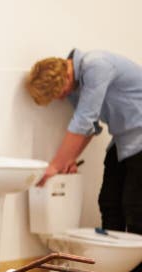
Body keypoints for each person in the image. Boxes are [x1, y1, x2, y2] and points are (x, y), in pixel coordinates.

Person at [27, 49, 142, 236]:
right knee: (109, 203)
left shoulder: (96, 66)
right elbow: (90, 127)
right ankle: (113, 263)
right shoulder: (75, 85)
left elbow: (83, 121)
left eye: (59, 94)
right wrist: (69, 159)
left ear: (65, 78)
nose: (61, 98)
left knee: (136, 206)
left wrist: (55, 166)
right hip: (124, 139)